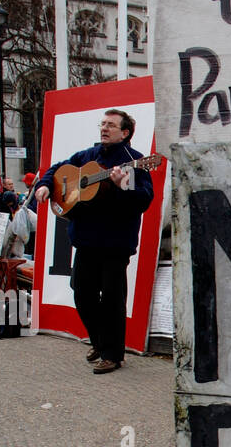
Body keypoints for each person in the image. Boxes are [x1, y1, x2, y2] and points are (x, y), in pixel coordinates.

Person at [35, 110, 154, 373]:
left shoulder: (134, 162)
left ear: (125, 133)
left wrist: (124, 187)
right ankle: (101, 341)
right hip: (86, 239)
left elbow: (143, 201)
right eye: (102, 124)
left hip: (115, 243)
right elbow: (57, 169)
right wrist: (44, 185)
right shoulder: (87, 156)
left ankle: (113, 354)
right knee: (82, 293)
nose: (104, 128)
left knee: (112, 299)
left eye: (111, 125)